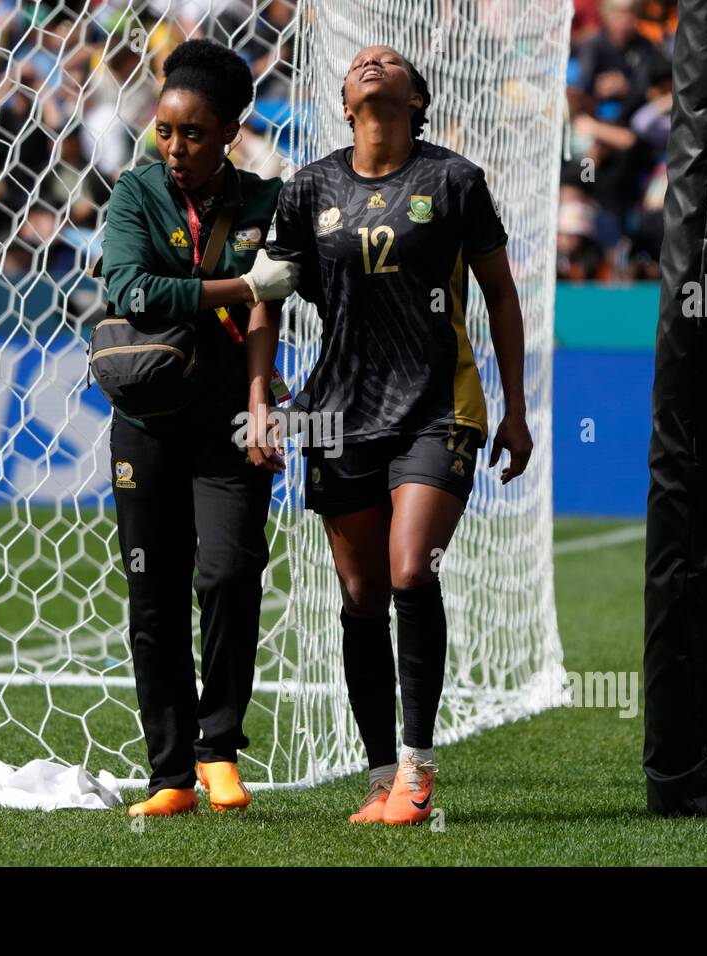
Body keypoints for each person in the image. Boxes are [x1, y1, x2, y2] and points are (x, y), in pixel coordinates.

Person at [250, 45, 532, 825]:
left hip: (438, 409)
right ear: (344, 104)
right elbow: (265, 298)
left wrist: (515, 409)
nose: (372, 61)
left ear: (415, 99)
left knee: (411, 571)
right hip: (338, 415)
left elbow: (501, 295)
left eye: (389, 61)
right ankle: (378, 780)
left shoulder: (453, 181)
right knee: (360, 599)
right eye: (361, 63)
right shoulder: (308, 189)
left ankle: (417, 770)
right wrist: (260, 397)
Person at [97, 38, 297, 818]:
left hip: (229, 422)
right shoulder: (132, 195)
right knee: (153, 596)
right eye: (166, 131)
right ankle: (169, 774)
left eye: (194, 134)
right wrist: (239, 280)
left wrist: (259, 405)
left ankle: (219, 750)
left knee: (230, 572)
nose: (176, 148)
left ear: (230, 132)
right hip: (145, 424)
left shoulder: (262, 202)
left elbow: (263, 313)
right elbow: (133, 291)